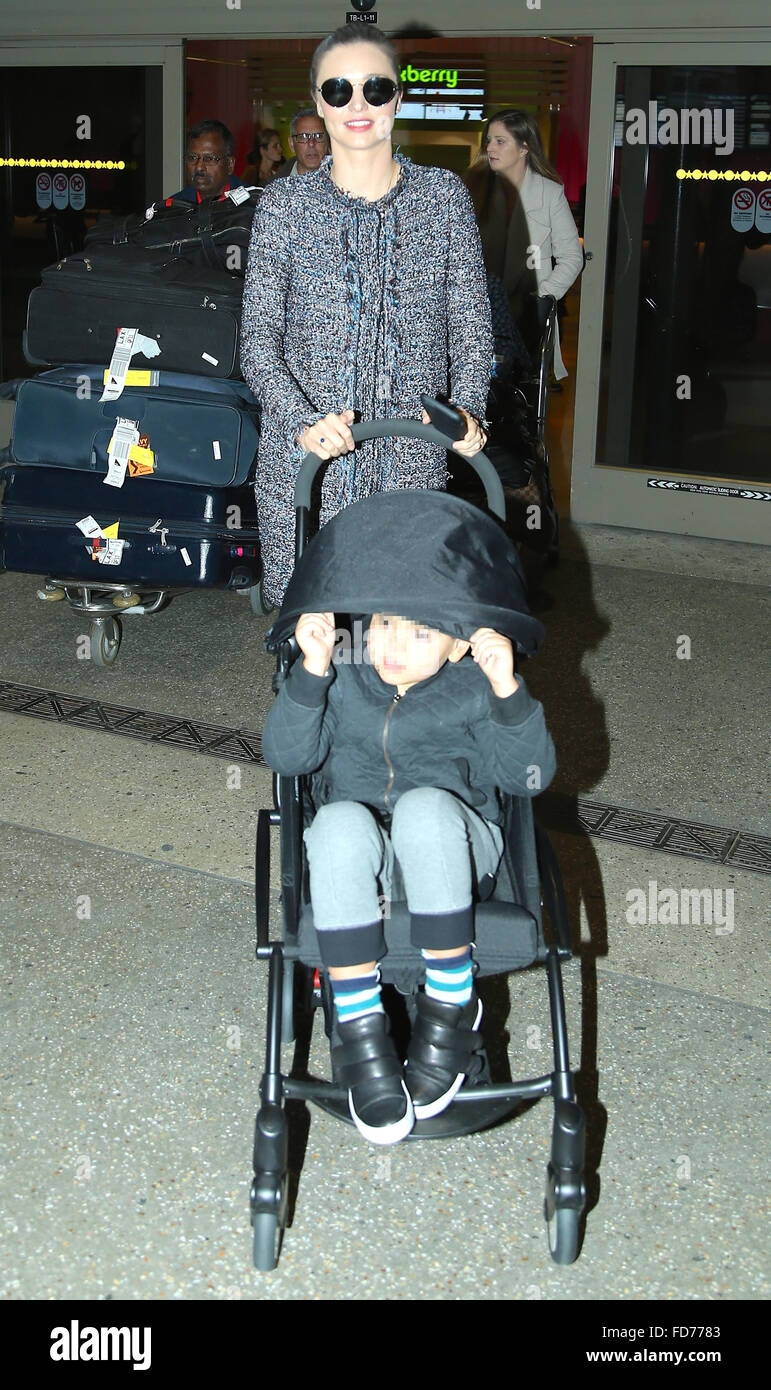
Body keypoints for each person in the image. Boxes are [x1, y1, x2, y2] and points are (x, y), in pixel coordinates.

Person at [262, 608, 555, 1144]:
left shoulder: (473, 684)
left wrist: (506, 688)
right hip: (361, 853)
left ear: (460, 646)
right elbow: (286, 756)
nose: (394, 644)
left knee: (424, 810)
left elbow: (526, 778)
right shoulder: (345, 674)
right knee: (336, 823)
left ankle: (449, 1004)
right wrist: (313, 669)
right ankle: (358, 1024)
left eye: (421, 633)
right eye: (385, 624)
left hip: (456, 844)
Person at [240, 24, 493, 610]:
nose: (358, 104)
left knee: (404, 638)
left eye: (375, 88)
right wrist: (299, 417)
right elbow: (257, 339)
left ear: (397, 99)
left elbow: (472, 328)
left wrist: (465, 409)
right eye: (339, 90)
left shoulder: (443, 198)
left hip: (410, 456)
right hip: (306, 465)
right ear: (319, 106)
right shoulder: (283, 206)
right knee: (313, 645)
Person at [465, 109, 583, 379]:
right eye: (489, 140)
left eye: (500, 141)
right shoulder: (472, 191)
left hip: (525, 319)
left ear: (523, 148)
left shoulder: (549, 194)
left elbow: (571, 257)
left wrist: (543, 296)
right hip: (479, 315)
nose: (490, 147)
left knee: (521, 400)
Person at [170, 120, 246, 203]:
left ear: (230, 164)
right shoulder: (173, 209)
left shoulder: (254, 207)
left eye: (209, 159)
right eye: (192, 158)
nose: (199, 168)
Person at [276, 108, 330, 177]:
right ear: (291, 144)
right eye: (303, 137)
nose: (311, 143)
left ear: (327, 142)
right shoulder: (272, 186)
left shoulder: (343, 183)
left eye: (318, 136)